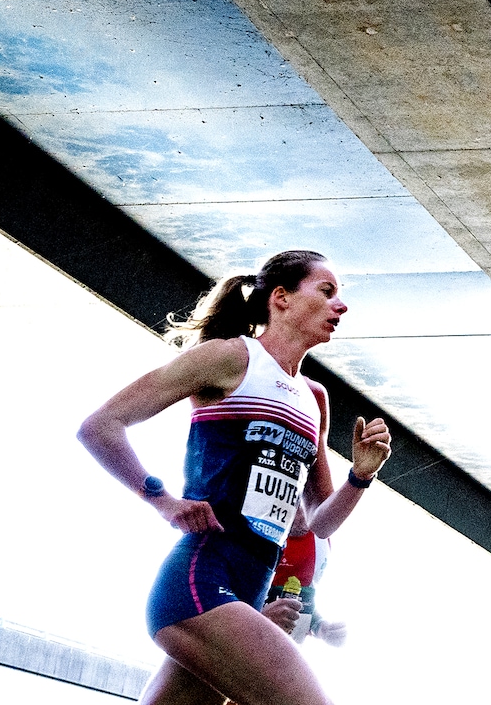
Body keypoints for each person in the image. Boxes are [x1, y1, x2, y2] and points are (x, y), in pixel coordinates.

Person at [78, 250, 393, 705]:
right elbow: (100, 426)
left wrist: (360, 477)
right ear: (281, 298)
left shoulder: (314, 397)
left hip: (250, 593)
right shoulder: (230, 358)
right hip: (200, 580)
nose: (340, 306)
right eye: (327, 292)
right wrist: (162, 499)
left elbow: (314, 525)